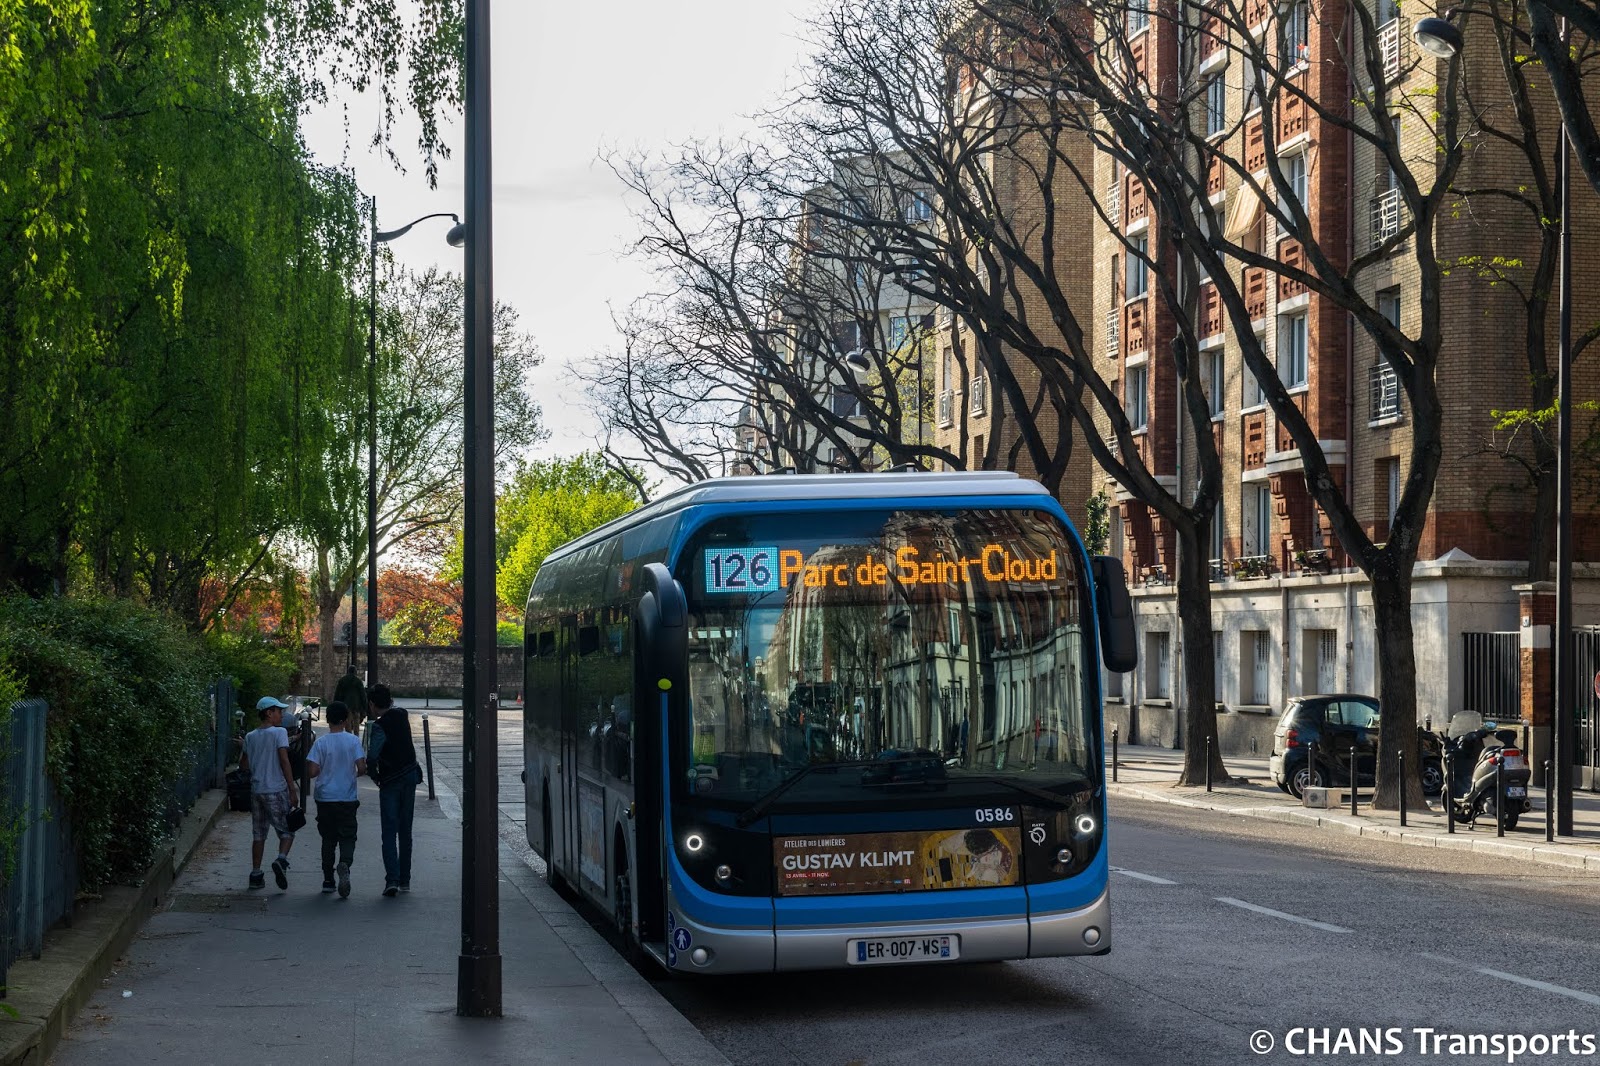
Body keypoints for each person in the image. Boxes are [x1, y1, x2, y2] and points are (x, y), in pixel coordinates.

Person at [306, 700, 366, 899]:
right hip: (346, 797)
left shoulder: (321, 742)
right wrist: (352, 775)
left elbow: (312, 771)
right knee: (348, 835)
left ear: (327, 719)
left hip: (325, 798)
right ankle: (345, 863)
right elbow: (362, 767)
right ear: (346, 719)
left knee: (328, 839)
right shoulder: (353, 741)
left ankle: (328, 881)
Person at [366, 684, 421, 896]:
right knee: (405, 830)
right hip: (409, 776)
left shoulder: (380, 726)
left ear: (372, 704)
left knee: (389, 830)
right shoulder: (402, 715)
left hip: (390, 780)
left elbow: (372, 756)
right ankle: (405, 879)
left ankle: (392, 879)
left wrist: (375, 776)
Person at [240, 696, 300, 890]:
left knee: (259, 834)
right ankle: (281, 860)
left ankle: (256, 874)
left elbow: (244, 765)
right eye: (279, 711)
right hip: (275, 789)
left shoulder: (250, 736)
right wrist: (292, 788)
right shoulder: (279, 732)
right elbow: (284, 760)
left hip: (257, 790)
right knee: (287, 830)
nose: (281, 715)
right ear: (269, 713)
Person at [333, 664, 369, 732]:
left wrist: (335, 706)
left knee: (348, 724)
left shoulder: (342, 680)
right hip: (357, 706)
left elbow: (337, 694)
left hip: (346, 705)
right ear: (355, 672)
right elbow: (363, 695)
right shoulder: (358, 681)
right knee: (356, 724)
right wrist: (365, 707)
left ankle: (349, 736)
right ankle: (356, 736)